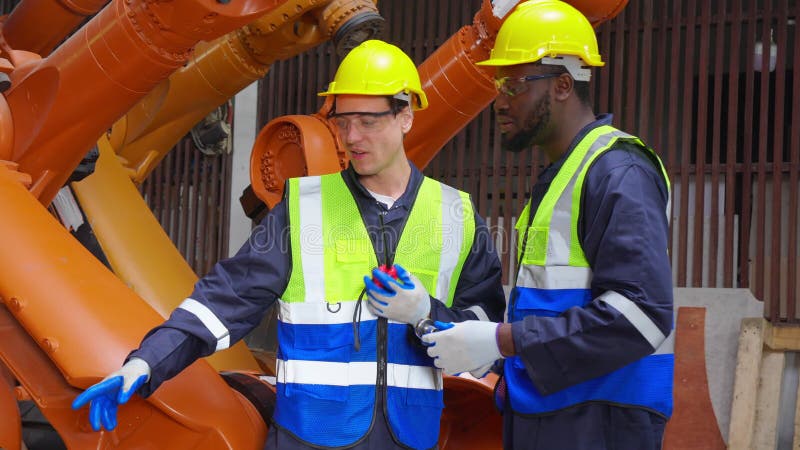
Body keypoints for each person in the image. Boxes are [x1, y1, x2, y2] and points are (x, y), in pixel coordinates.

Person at [71, 39, 506, 450]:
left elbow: (487, 332)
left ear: (406, 116)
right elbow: (226, 299)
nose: (352, 137)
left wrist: (426, 314)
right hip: (306, 439)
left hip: (409, 438)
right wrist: (146, 363)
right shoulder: (302, 210)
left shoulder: (457, 216)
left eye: (368, 121)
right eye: (343, 120)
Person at [420, 2, 674, 450]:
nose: (499, 101)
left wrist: (503, 340)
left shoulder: (618, 173)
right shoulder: (564, 175)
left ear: (561, 85)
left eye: (514, 85)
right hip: (553, 412)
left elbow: (642, 315)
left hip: (599, 423)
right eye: (499, 84)